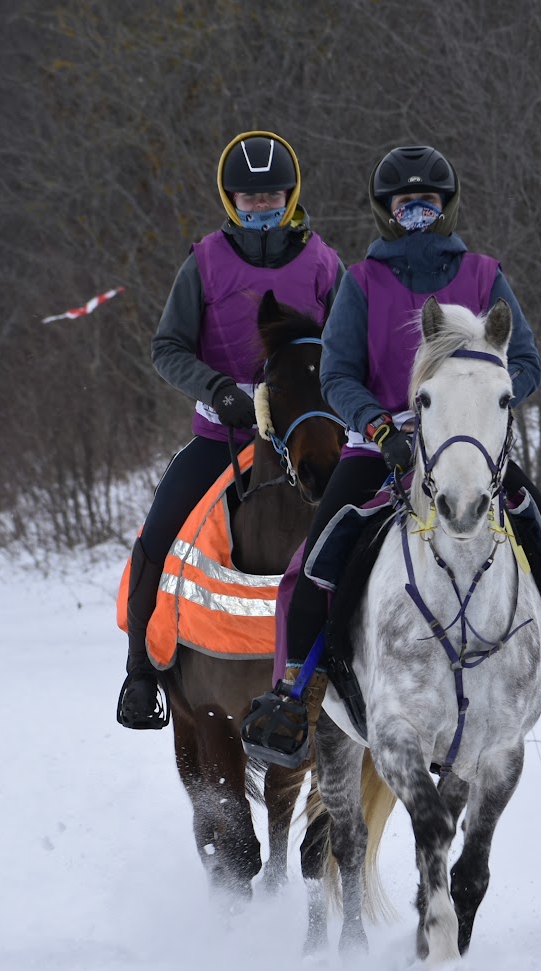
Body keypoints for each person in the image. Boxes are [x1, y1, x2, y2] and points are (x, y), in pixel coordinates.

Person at [240, 144, 541, 768]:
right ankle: (297, 694)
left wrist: (483, 401)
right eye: (405, 204)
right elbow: (338, 373)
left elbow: (524, 362)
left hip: (467, 448)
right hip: (384, 446)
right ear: (386, 212)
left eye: (427, 203)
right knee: (318, 556)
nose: (416, 213)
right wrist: (376, 425)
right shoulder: (363, 282)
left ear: (444, 208)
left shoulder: (483, 273)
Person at [116, 130, 346, 729]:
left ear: (291, 197)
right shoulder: (204, 263)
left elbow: (351, 345)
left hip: (307, 433)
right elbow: (166, 346)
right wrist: (216, 389)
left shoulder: (324, 262)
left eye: (272, 195)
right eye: (249, 197)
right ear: (230, 199)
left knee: (370, 529)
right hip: (225, 435)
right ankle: (141, 673)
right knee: (160, 535)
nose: (261, 206)